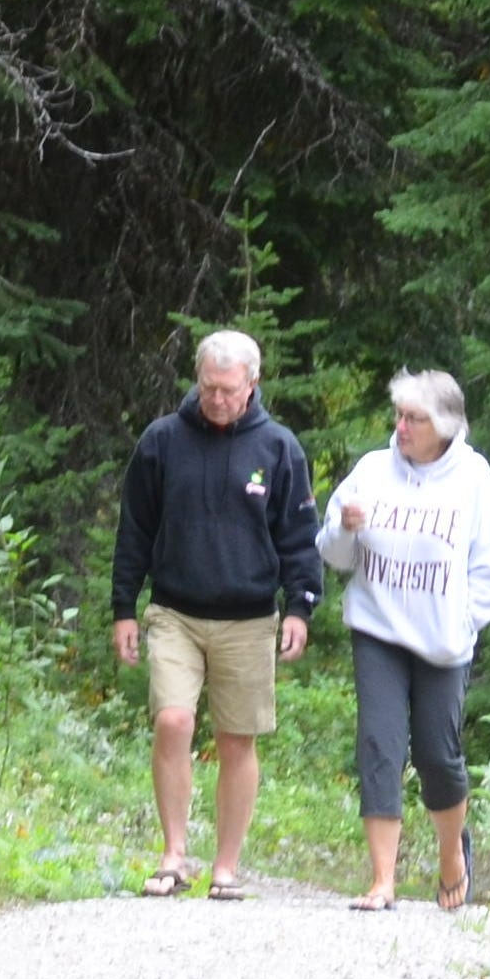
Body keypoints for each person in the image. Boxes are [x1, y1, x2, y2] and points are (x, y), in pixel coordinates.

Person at [107, 328, 320, 898]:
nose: (218, 399)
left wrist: (300, 605)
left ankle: (225, 867)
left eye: (228, 390)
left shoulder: (278, 448)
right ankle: (174, 853)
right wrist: (123, 608)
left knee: (236, 738)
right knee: (173, 721)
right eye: (208, 388)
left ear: (252, 384)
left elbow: (300, 535)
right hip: (175, 610)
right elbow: (134, 530)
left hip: (249, 616)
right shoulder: (162, 441)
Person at [318, 369, 490, 911]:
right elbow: (332, 555)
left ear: (445, 426)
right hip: (377, 629)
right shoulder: (371, 471)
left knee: (436, 755)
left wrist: (462, 621)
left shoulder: (472, 477)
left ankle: (452, 853)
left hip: (442, 642)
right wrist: (344, 530)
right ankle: (382, 879)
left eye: (414, 419)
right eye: (399, 416)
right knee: (378, 745)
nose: (401, 427)